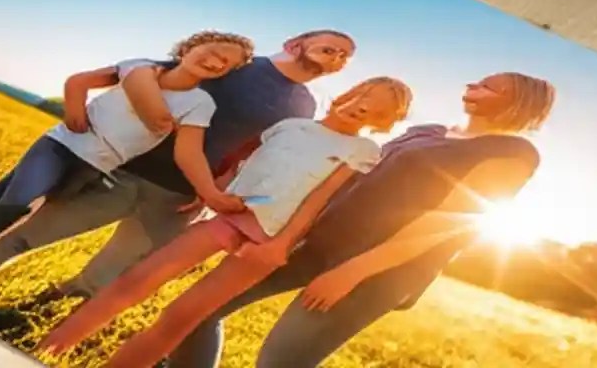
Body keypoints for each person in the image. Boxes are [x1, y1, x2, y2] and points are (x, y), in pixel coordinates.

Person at [0, 30, 357, 296]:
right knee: (24, 236)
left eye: (344, 56)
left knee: (105, 277)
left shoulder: (304, 105)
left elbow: (253, 151)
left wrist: (215, 190)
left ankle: (32, 321)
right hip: (124, 170)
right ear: (295, 44)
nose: (336, 57)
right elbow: (149, 71)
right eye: (330, 47)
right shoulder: (236, 64)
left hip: (178, 199)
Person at [167, 71, 556, 368]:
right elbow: (348, 180)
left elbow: (447, 222)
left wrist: (352, 272)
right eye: (478, 81)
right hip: (315, 244)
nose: (473, 84)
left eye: (489, 87)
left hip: (377, 272)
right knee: (197, 313)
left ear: (519, 104)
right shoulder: (428, 131)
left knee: (280, 361)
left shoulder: (513, 153)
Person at [35, 77, 415, 366]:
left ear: (383, 123)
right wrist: (211, 192)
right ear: (350, 92)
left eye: (376, 111)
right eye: (363, 96)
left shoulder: (363, 149)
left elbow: (322, 199)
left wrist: (280, 246)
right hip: (231, 216)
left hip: (269, 237)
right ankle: (50, 348)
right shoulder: (291, 126)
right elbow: (247, 161)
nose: (362, 108)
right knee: (138, 280)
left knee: (182, 316)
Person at [0, 31, 254, 285]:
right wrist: (74, 109)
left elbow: (188, 151)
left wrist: (209, 192)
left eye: (227, 64)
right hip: (60, 147)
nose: (217, 62)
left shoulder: (198, 104)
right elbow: (79, 81)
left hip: (92, 168)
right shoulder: (139, 66)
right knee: (16, 207)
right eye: (213, 51)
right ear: (188, 47)